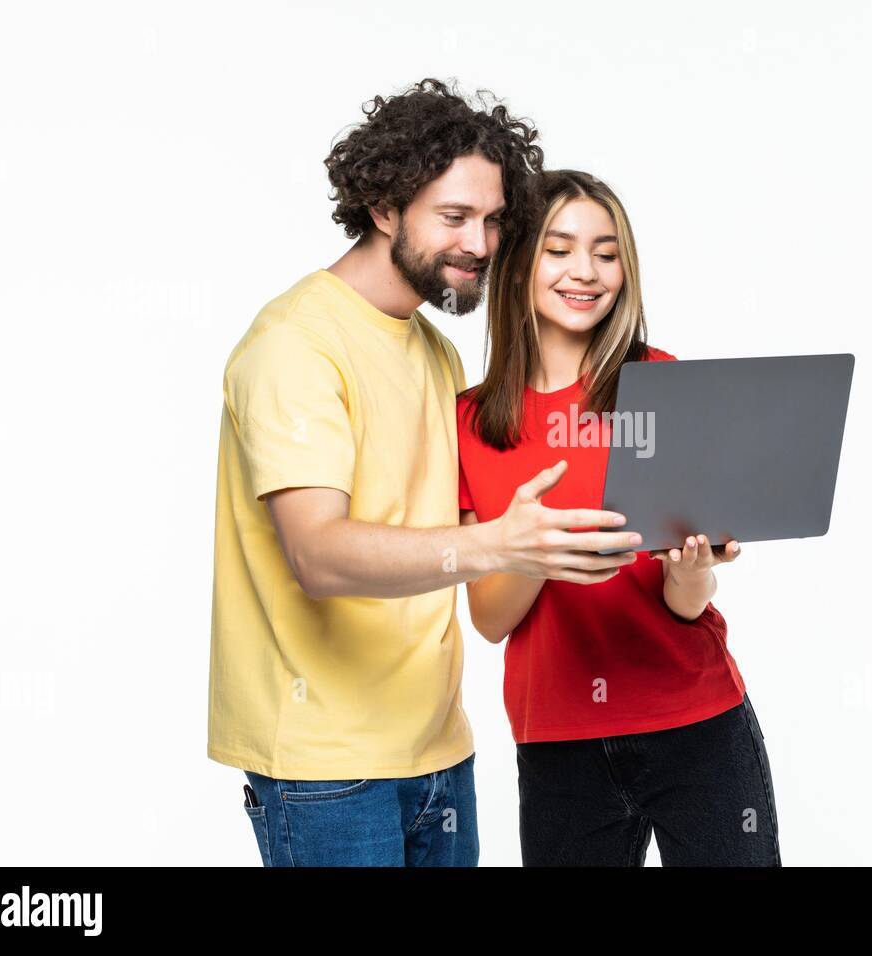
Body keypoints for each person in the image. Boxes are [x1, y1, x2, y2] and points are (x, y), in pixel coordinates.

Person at [209, 82, 642, 867]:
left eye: (493, 220)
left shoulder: (435, 352)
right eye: (453, 218)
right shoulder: (294, 345)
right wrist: (502, 547)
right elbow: (319, 554)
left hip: (439, 753)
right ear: (383, 208)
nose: (480, 244)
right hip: (324, 768)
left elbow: (471, 532)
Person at [456, 169, 782, 866]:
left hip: (696, 724)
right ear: (517, 267)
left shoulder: (659, 381)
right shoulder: (469, 422)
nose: (586, 271)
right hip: (558, 743)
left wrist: (692, 573)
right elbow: (489, 621)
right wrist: (532, 549)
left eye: (606, 254)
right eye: (560, 249)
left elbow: (686, 603)